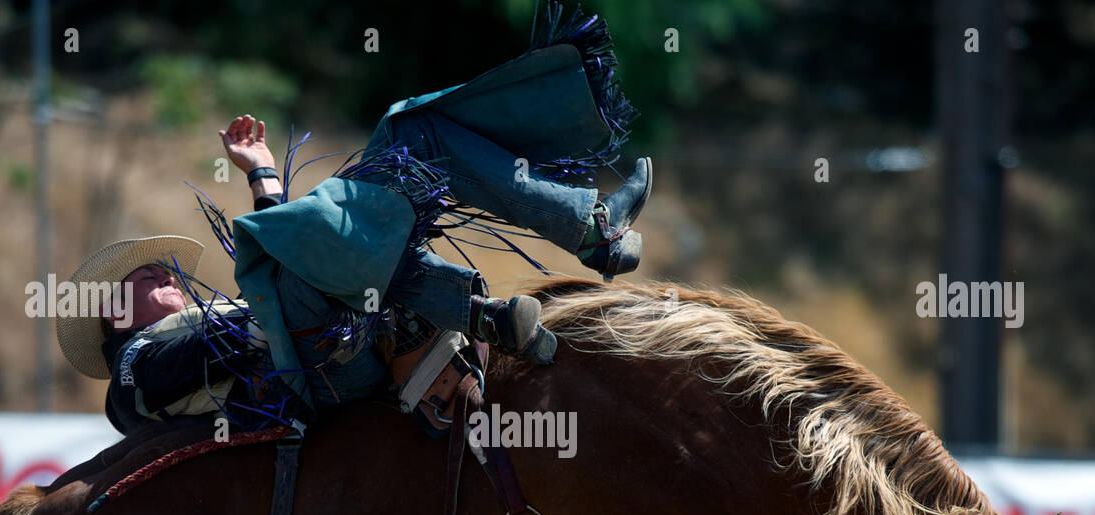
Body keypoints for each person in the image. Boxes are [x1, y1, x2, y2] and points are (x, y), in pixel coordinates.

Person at [55, 3, 651, 436]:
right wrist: (265, 303)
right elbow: (228, 346)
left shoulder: (189, 327)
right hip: (308, 379)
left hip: (322, 332)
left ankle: (588, 232)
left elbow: (283, 272)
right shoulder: (129, 378)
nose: (170, 278)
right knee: (321, 244)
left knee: (409, 129)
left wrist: (262, 175)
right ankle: (473, 312)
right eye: (150, 279)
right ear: (114, 312)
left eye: (163, 273)